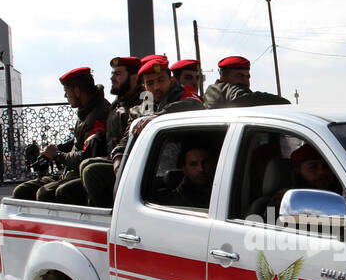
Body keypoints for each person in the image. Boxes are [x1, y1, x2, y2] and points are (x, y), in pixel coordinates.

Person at [81, 56, 203, 208]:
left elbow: (194, 105)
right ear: (144, 86)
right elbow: (125, 139)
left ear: (170, 80)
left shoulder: (182, 96)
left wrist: (157, 118)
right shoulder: (142, 108)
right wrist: (118, 161)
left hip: (175, 172)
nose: (156, 87)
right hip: (145, 170)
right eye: (150, 83)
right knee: (91, 170)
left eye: (161, 80)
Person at [12, 67, 110, 202]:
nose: (65, 96)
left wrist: (58, 155)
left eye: (66, 91)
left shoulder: (98, 115)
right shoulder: (86, 111)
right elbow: (77, 142)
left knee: (45, 193)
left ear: (77, 90)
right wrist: (52, 151)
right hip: (71, 173)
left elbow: (87, 157)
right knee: (22, 190)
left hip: (83, 175)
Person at [202, 55, 291, 109]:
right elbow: (248, 98)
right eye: (239, 76)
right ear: (223, 77)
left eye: (247, 77)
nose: (245, 81)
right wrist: (285, 104)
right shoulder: (223, 88)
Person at [165, 142, 215, 209]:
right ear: (184, 170)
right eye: (193, 164)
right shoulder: (176, 202)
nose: (201, 169)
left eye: (205, 162)